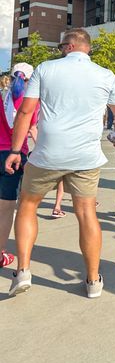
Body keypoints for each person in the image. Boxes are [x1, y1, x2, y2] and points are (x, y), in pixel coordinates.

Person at [5, 29, 115, 299]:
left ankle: (23, 270)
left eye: (60, 46)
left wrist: (16, 150)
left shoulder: (45, 69)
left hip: (47, 153)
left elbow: (26, 111)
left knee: (28, 205)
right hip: (85, 156)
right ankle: (92, 280)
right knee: (87, 213)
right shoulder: (105, 75)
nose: (59, 50)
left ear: (70, 45)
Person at [0, 63, 37, 268]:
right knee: (7, 208)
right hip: (14, 155)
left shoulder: (2, 96)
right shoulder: (29, 101)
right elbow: (32, 129)